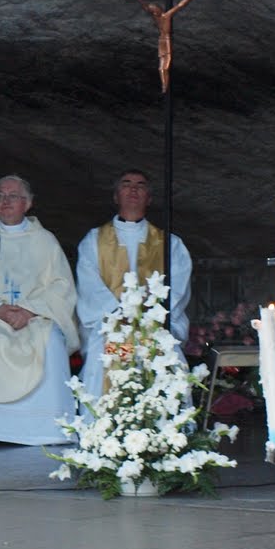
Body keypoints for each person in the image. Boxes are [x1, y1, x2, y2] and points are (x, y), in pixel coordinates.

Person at [0, 175, 79, 445]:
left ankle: (48, 428)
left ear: (27, 204)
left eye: (13, 196)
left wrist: (29, 310)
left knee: (51, 341)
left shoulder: (45, 240)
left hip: (37, 317)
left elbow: (62, 285)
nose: (6, 201)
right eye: (0, 195)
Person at [75, 169, 192, 398]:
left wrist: (149, 316)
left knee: (169, 360)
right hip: (111, 327)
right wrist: (119, 315)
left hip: (154, 327)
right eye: (126, 184)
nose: (133, 189)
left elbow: (178, 288)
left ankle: (160, 420)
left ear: (149, 198)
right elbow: (89, 285)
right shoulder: (94, 240)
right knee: (102, 360)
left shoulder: (170, 244)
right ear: (116, 196)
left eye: (141, 185)